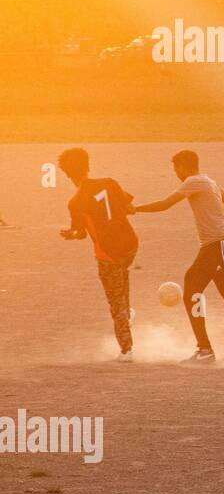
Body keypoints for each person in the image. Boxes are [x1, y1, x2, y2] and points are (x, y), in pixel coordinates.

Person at [130, 150, 224, 364]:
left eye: (175, 169)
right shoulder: (209, 181)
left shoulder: (194, 181)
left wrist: (134, 209)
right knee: (192, 288)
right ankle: (205, 349)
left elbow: (165, 204)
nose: (176, 174)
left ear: (183, 167)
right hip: (212, 247)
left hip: (221, 245)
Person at [57, 148, 138, 361]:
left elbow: (80, 234)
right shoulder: (110, 182)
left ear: (67, 174)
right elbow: (129, 208)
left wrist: (70, 234)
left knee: (115, 302)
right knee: (123, 277)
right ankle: (127, 314)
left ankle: (126, 350)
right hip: (130, 245)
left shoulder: (75, 202)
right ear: (88, 165)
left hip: (108, 254)